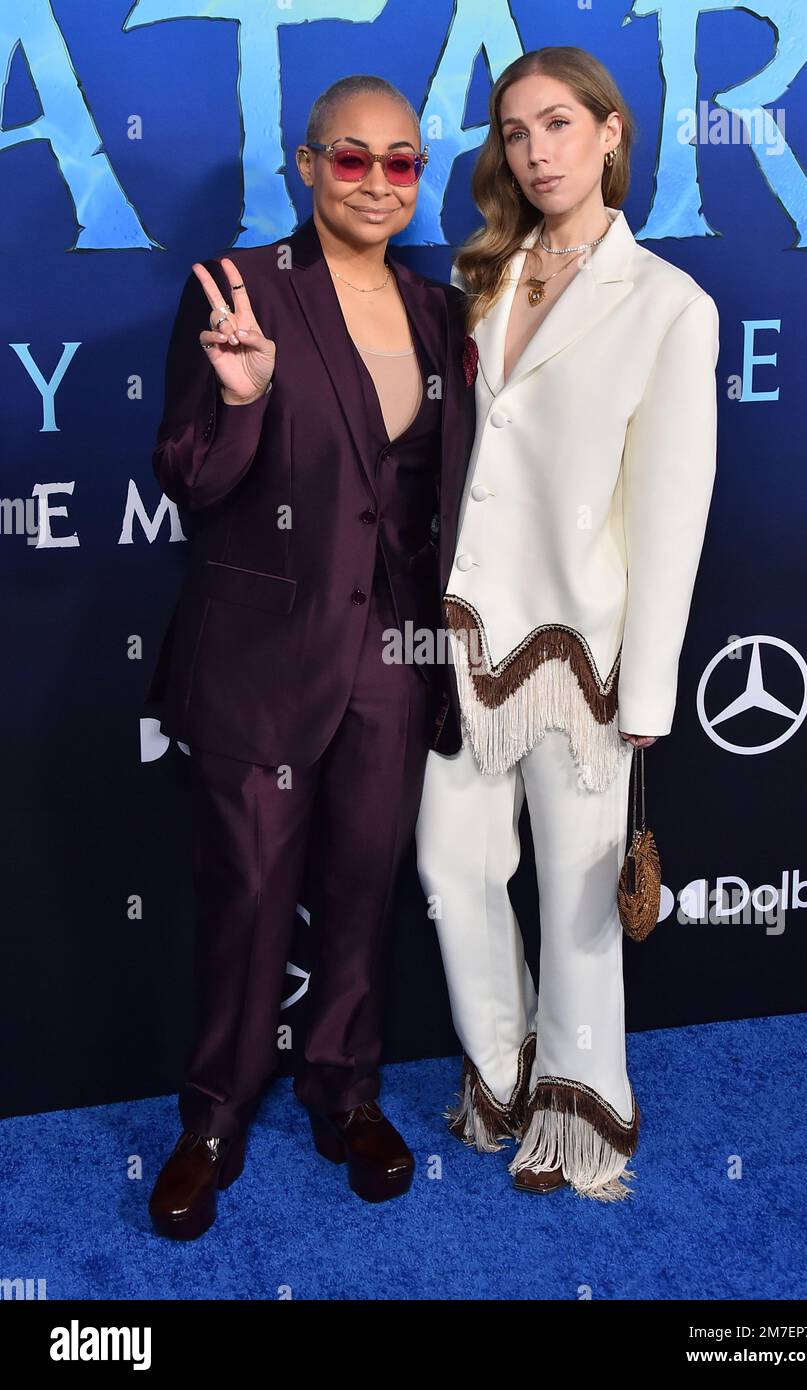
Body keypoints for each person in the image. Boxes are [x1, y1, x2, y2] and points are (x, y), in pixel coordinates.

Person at [144, 74, 475, 1238]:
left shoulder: (441, 315)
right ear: (305, 165)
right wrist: (241, 397)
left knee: (360, 889)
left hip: (393, 656)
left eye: (402, 162)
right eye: (353, 159)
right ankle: (213, 1121)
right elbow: (189, 478)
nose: (378, 183)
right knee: (245, 897)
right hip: (259, 658)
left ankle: (344, 1092)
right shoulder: (246, 293)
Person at [416, 46, 719, 1201]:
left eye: (556, 124)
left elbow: (671, 513)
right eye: (512, 131)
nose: (534, 151)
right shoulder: (480, 273)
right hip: (466, 636)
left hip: (581, 654)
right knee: (452, 862)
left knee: (579, 899)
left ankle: (582, 1116)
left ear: (608, 133)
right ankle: (500, 1075)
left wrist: (648, 693)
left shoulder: (667, 306)